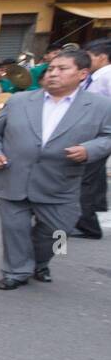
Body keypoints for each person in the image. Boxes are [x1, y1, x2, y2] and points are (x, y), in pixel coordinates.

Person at [0, 50, 111, 290]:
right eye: (51, 69)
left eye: (62, 69)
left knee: (60, 232)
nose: (53, 73)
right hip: (13, 176)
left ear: (82, 74)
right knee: (15, 230)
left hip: (61, 181)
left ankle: (41, 262)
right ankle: (16, 271)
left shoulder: (101, 106)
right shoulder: (19, 101)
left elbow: (108, 136)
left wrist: (90, 149)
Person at [73, 38, 111, 239]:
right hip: (94, 135)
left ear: (102, 57)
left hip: (99, 136)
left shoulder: (107, 76)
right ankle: (93, 211)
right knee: (93, 179)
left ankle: (88, 225)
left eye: (89, 57)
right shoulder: (97, 76)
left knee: (84, 180)